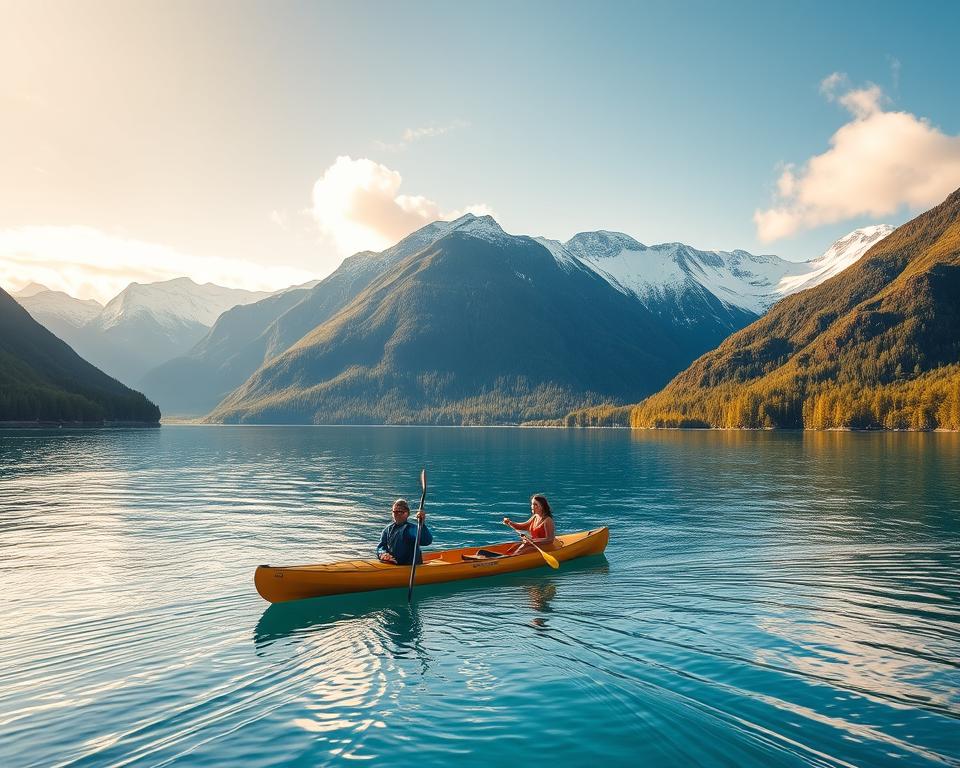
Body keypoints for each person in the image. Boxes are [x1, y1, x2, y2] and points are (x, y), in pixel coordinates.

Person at [377, 498, 432, 565]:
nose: (397, 514)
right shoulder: (387, 530)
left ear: (407, 514)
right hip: (392, 564)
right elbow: (381, 546)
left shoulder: (411, 529)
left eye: (401, 512)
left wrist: (422, 524)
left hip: (409, 567)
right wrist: (383, 554)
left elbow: (426, 541)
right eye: (395, 512)